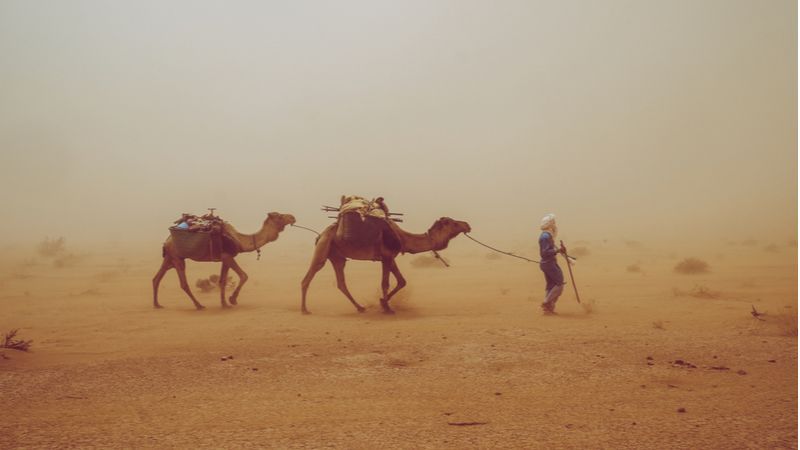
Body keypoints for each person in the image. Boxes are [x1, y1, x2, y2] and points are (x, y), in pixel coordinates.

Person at [539, 213, 566, 314]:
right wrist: (558, 251)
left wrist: (559, 250)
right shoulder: (545, 237)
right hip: (549, 263)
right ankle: (546, 302)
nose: (554, 224)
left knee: (551, 285)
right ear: (549, 224)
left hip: (548, 263)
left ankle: (548, 309)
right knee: (559, 283)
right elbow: (544, 252)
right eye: (553, 222)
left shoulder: (547, 235)